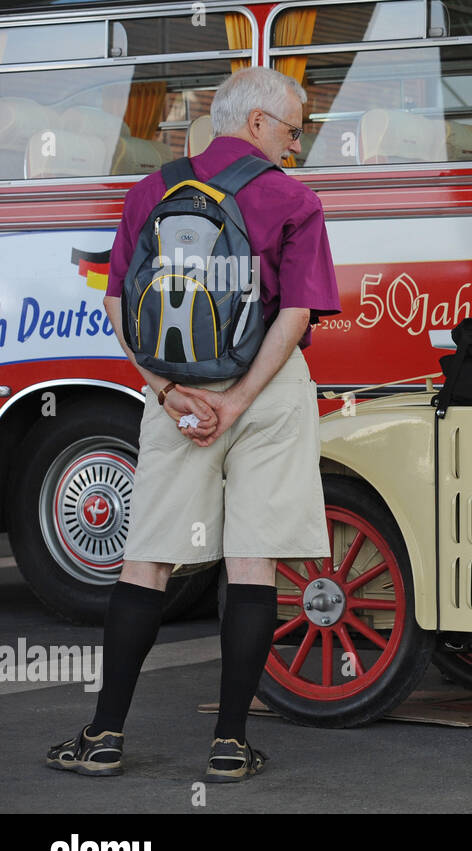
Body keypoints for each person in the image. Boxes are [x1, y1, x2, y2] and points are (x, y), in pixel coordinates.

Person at [45, 66, 341, 780]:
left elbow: (117, 302)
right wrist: (238, 402)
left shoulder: (151, 191)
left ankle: (104, 735)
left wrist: (169, 389)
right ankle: (230, 744)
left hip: (178, 399)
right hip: (264, 395)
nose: (295, 147)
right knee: (252, 559)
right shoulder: (292, 200)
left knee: (146, 559)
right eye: (293, 130)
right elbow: (296, 313)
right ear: (258, 122)